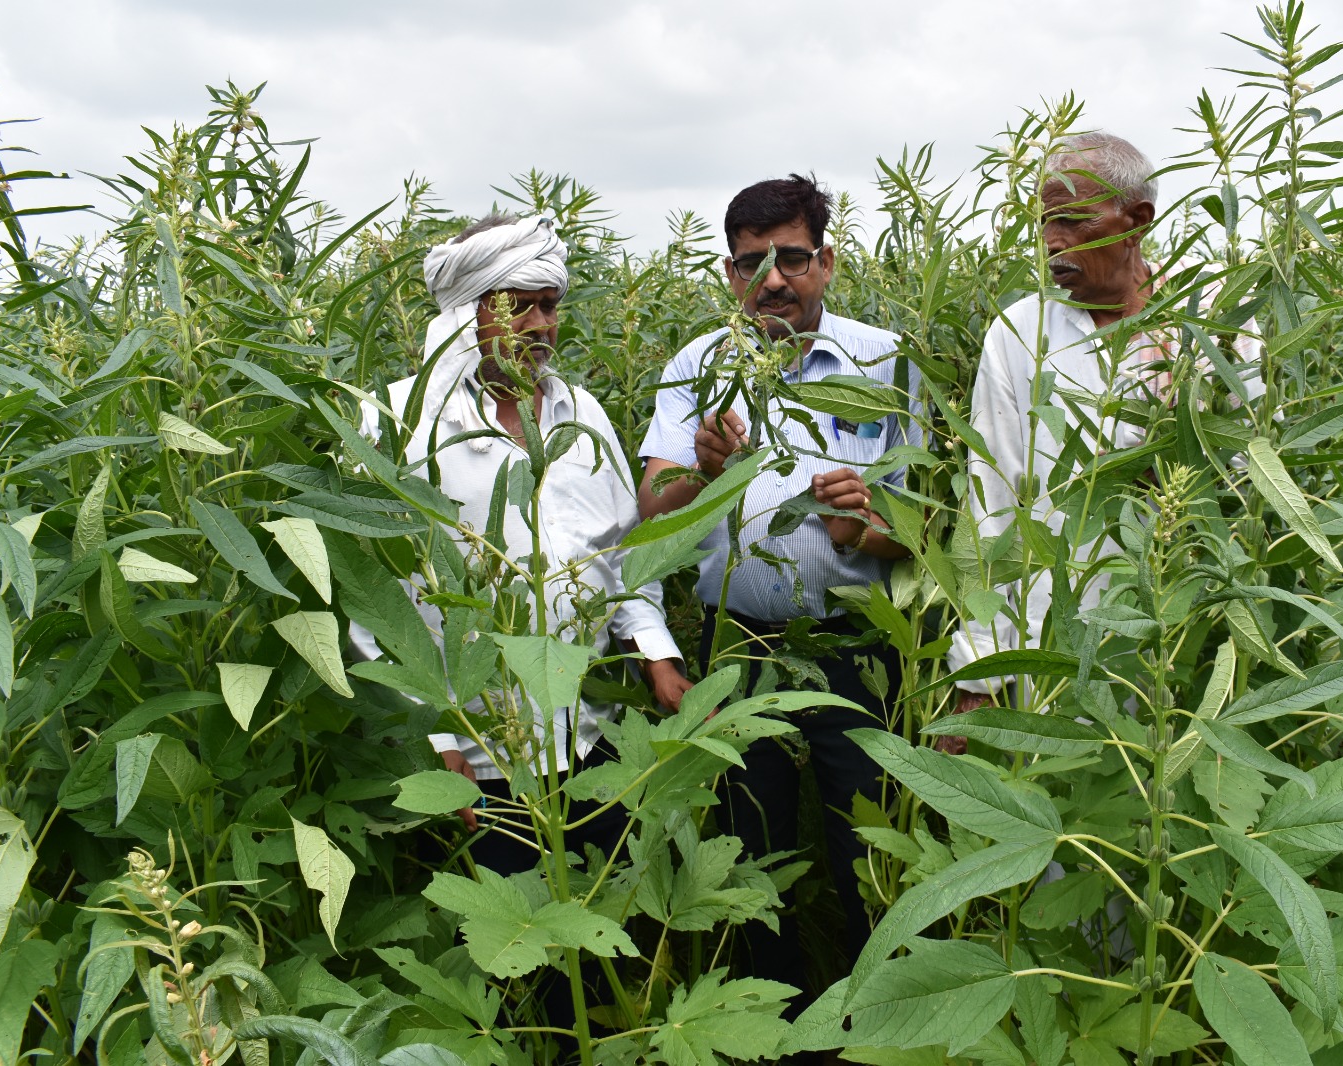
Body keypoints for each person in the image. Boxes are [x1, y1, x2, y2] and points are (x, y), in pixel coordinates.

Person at [635, 174, 918, 1002]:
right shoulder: (699, 363)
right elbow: (653, 508)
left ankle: (881, 1023)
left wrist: (861, 526)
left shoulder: (882, 358)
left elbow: (923, 530)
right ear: (730, 274)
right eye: (753, 262)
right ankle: (776, 1027)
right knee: (747, 849)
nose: (774, 279)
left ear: (827, 262)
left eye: (792, 258)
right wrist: (708, 474)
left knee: (870, 847)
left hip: (856, 647)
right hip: (740, 645)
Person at [352, 213, 693, 869]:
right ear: (463, 314)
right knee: (509, 952)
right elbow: (376, 604)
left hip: (593, 737)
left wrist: (655, 653)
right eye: (517, 306)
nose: (541, 325)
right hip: (479, 759)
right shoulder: (393, 425)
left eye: (550, 305)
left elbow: (621, 550)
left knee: (601, 932)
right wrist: (434, 735)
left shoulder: (579, 412)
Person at [941, 132, 1262, 748]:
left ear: (1136, 220)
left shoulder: (1216, 320)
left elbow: (1245, 476)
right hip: (1046, 637)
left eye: (1071, 220)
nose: (1051, 243)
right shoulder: (1021, 333)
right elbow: (992, 501)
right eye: (1043, 224)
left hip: (1179, 629)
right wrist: (978, 665)